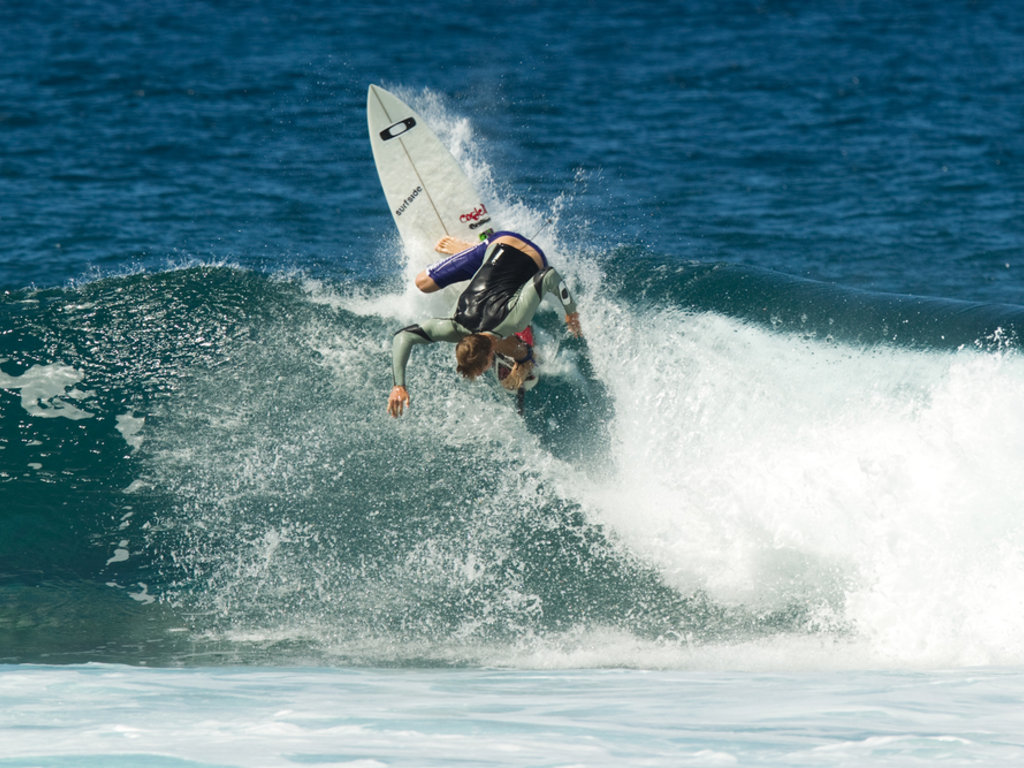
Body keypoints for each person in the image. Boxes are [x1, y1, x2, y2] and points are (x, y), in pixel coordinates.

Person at [388, 231, 581, 417]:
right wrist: (399, 386)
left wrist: (570, 312)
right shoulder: (452, 325)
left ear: (491, 354)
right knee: (422, 282)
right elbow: (403, 336)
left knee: (507, 338)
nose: (485, 370)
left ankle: (525, 359)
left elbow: (548, 275)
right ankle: (473, 253)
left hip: (526, 252)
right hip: (496, 248)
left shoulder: (514, 320)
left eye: (485, 367)